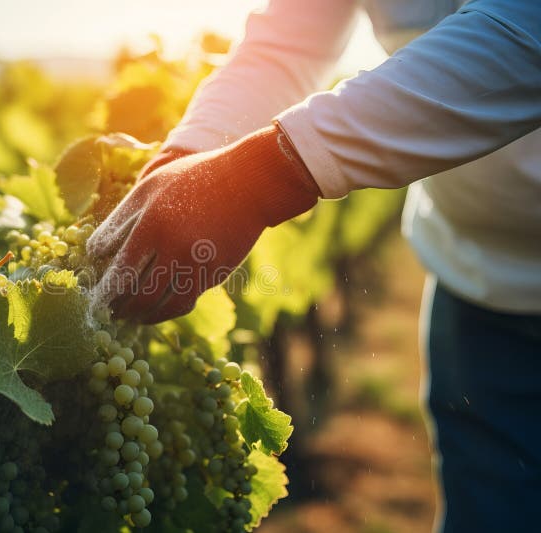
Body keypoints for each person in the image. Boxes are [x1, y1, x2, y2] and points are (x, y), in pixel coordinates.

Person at [86, 1, 541, 531]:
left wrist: (261, 174)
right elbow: (287, 45)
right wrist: (186, 158)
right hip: (471, 279)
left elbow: (525, 29)